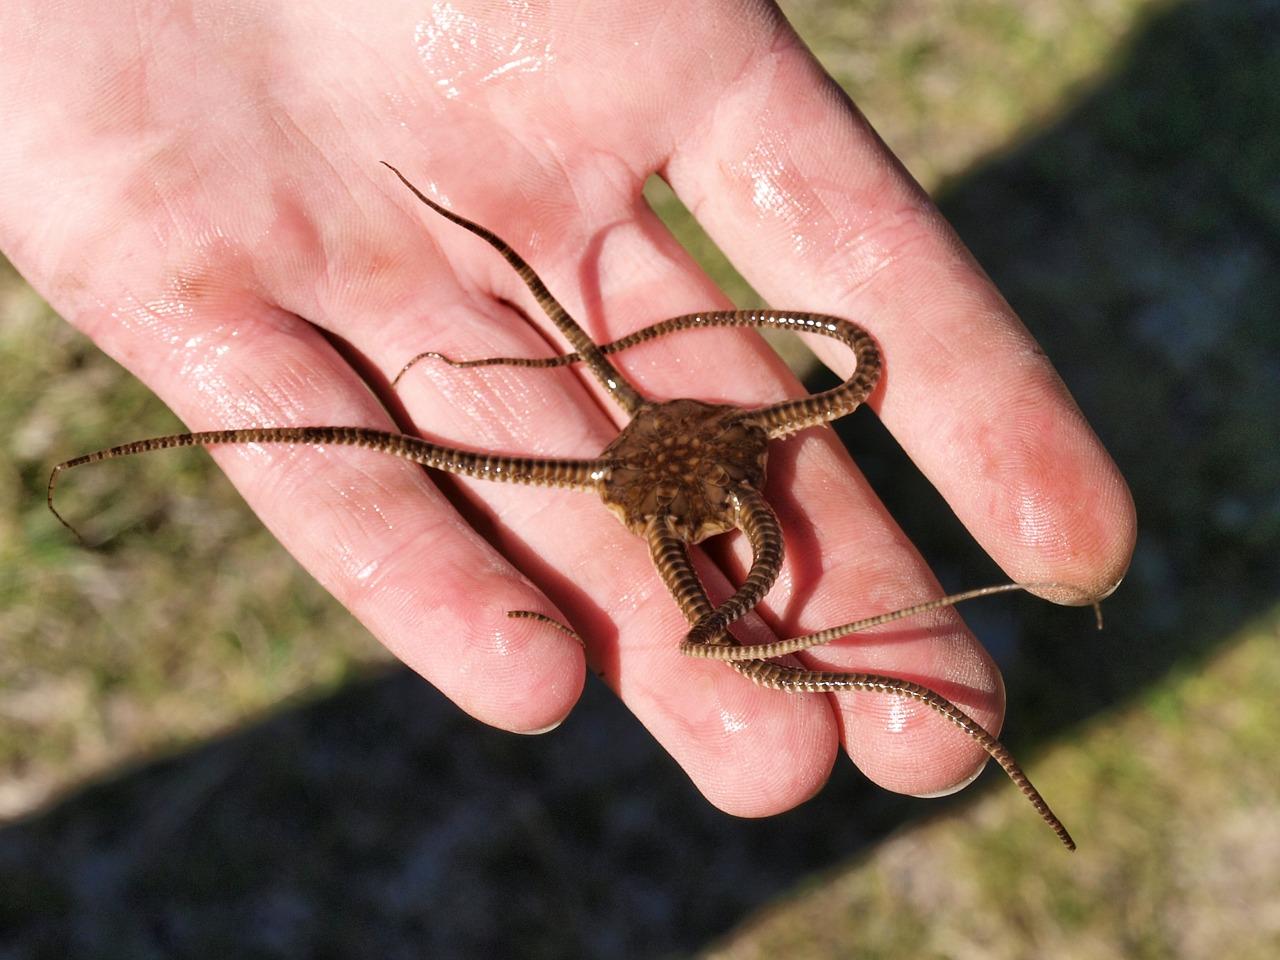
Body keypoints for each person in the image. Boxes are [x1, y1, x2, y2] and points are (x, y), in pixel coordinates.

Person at [0, 1, 1134, 816]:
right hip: (654, 458)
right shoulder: (672, 488)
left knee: (711, 624)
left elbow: (854, 370)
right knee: (370, 438)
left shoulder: (719, 474)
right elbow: (846, 376)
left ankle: (912, 699)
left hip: (684, 448)